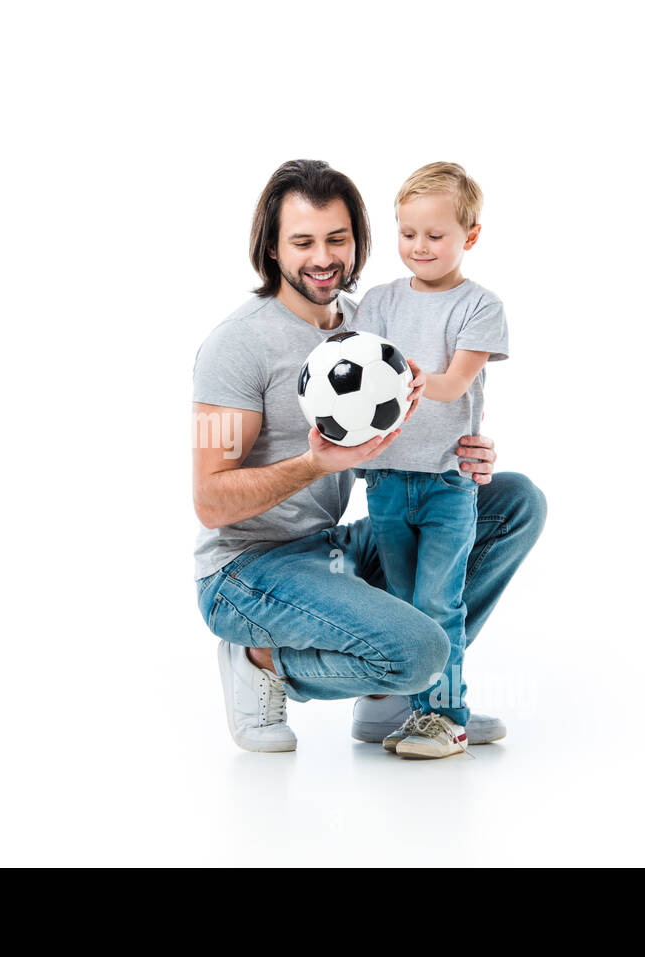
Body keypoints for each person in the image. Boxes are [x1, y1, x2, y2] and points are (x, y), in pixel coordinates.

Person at [192, 159, 545, 754]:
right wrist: (312, 466)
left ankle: (411, 706)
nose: (323, 257)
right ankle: (264, 659)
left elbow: (421, 405)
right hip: (248, 569)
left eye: (337, 238)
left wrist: (462, 447)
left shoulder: (370, 326)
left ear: (359, 240)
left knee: (514, 502)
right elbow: (208, 501)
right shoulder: (235, 346)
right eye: (302, 241)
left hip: (333, 548)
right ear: (272, 250)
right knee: (422, 649)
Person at [353, 162, 508, 759]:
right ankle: (418, 710)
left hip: (447, 484)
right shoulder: (381, 301)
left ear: (469, 237)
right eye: (407, 233)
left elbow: (452, 384)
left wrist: (410, 378)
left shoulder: (479, 306)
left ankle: (446, 719)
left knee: (440, 602)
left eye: (435, 235)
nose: (419, 247)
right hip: (387, 482)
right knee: (402, 606)